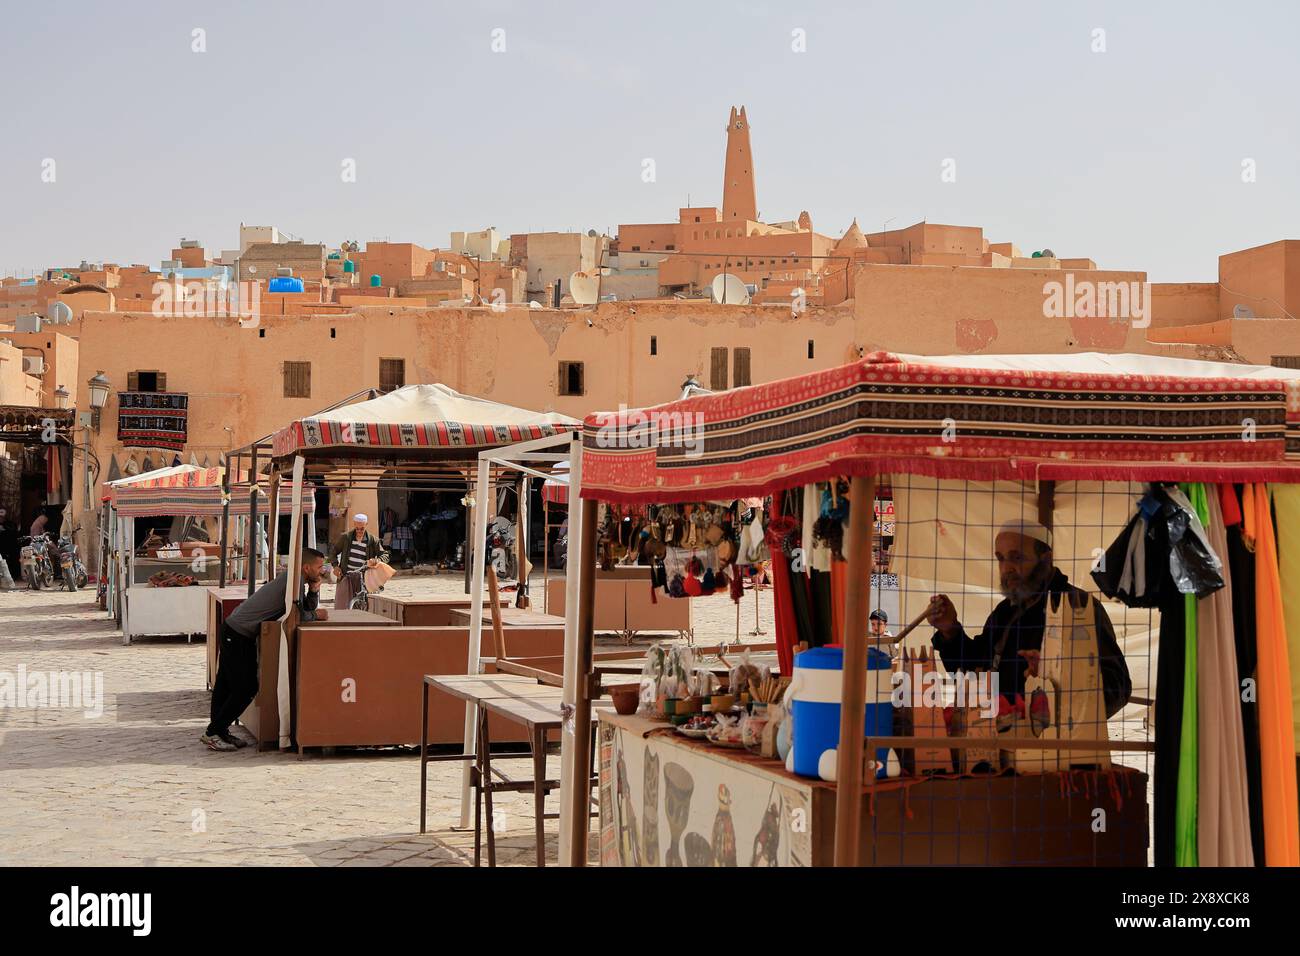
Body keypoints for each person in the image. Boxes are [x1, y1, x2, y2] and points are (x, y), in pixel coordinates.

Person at [925, 519, 1132, 718]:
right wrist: (950, 631)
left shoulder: (1078, 607)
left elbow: (1117, 689)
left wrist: (1057, 678)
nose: (1006, 568)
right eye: (1001, 558)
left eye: (1017, 558)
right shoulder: (1006, 612)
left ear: (1046, 559)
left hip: (1057, 740)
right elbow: (975, 673)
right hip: (1001, 737)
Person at [201, 548, 329, 752]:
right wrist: (317, 616)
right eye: (319, 566)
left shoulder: (295, 580)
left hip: (234, 629)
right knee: (246, 688)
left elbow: (305, 608)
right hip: (238, 634)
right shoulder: (293, 583)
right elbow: (298, 615)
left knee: (225, 685)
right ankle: (213, 732)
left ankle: (219, 730)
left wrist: (314, 590)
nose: (322, 570)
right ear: (306, 567)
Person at [328, 513, 389, 609]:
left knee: (363, 605)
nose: (359, 531)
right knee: (342, 605)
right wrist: (335, 566)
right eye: (357, 529)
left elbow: (385, 555)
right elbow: (333, 552)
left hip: (363, 578)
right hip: (346, 576)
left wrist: (377, 560)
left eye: (362, 529)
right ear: (354, 525)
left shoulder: (372, 540)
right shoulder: (346, 538)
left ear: (366, 525)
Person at [0, 506, 18, 590]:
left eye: (2, 517)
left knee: (11, 562)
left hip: (10, 546)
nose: (1, 518)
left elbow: (14, 533)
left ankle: (12, 579)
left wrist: (5, 529)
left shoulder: (10, 524)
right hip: (1, 547)